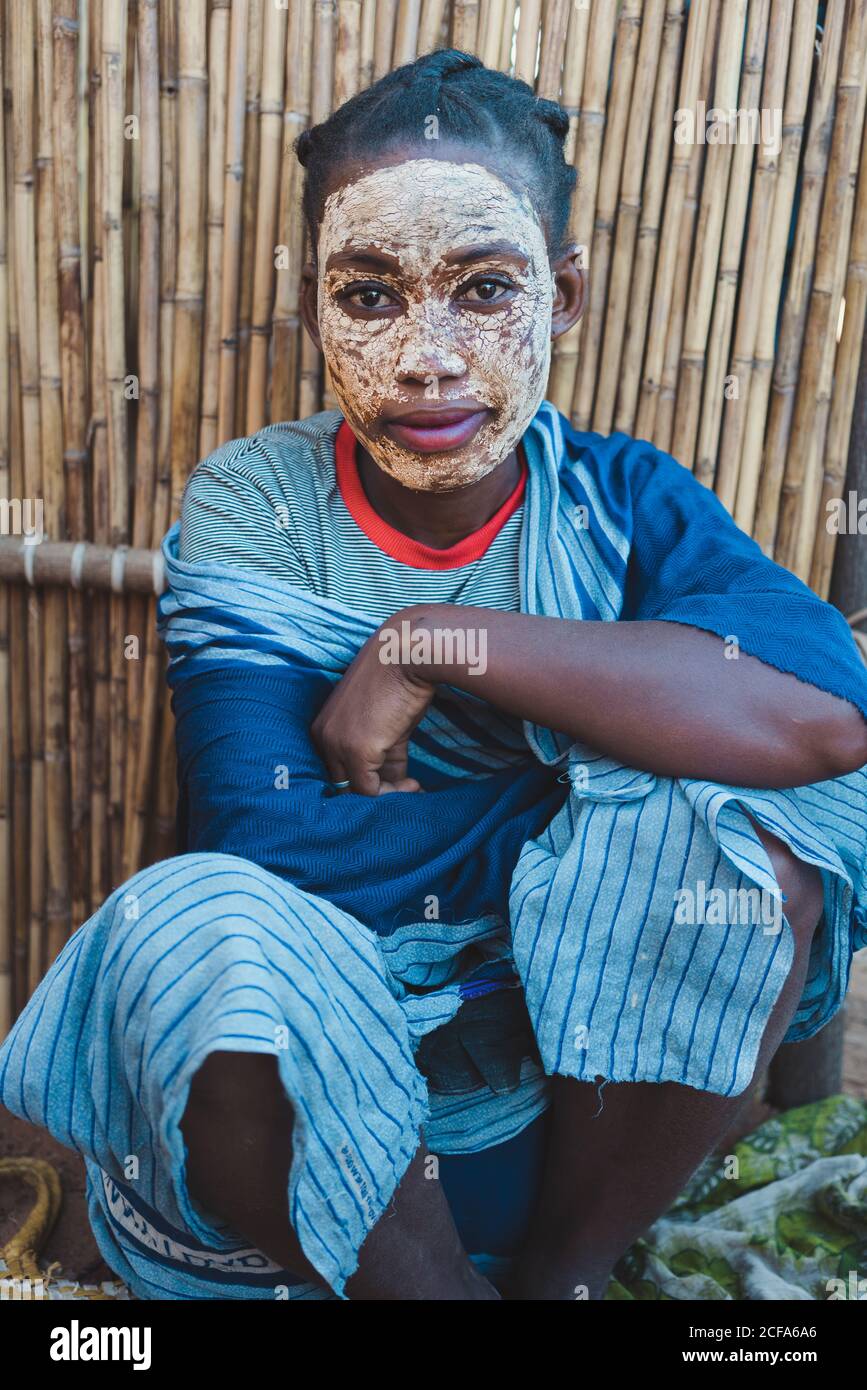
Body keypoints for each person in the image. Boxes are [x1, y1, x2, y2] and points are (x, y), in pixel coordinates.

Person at [2, 49, 867, 1303]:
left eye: (483, 289)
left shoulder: (621, 504)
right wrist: (617, 773)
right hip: (313, 1148)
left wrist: (435, 640)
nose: (427, 358)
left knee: (760, 832)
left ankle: (561, 1281)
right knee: (184, 921)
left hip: (566, 1128)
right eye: (369, 296)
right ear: (312, 306)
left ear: (563, 295)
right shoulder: (260, 504)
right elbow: (272, 846)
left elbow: (822, 728)